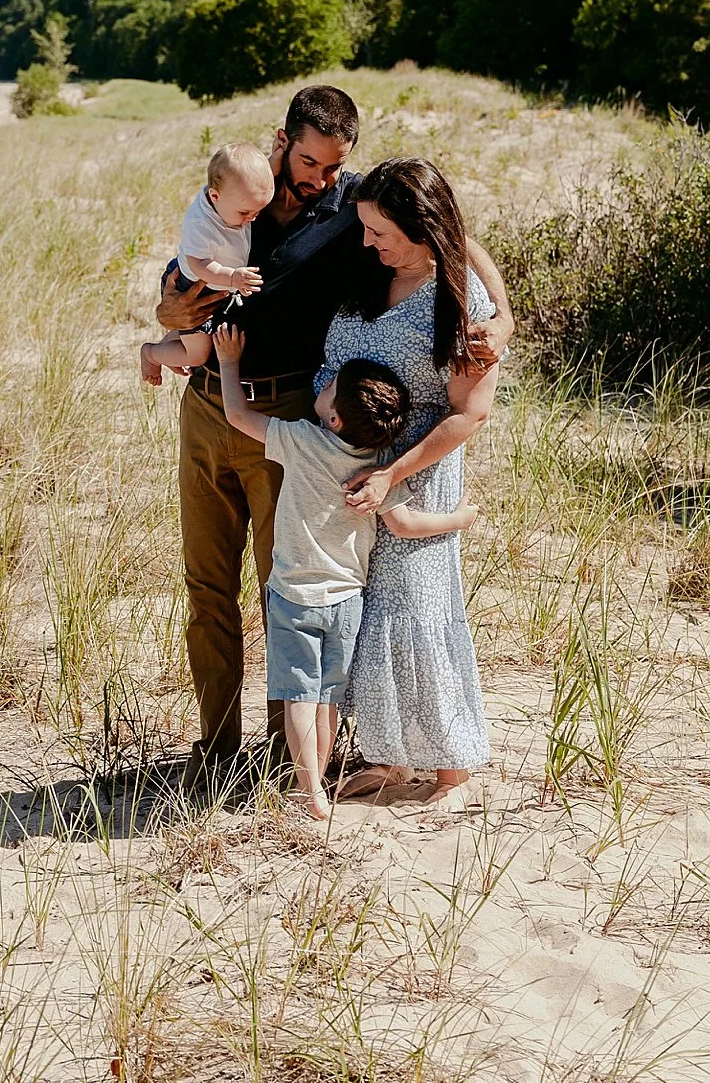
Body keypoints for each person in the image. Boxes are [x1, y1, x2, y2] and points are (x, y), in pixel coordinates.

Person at [156, 84, 513, 786]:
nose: (321, 177)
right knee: (205, 585)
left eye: (334, 164)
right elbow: (176, 290)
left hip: (290, 412)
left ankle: (286, 757)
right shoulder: (237, 197)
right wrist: (171, 310)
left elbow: (456, 236)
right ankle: (216, 748)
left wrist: (503, 314)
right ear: (281, 139)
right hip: (208, 403)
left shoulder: (353, 204)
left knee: (286, 582)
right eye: (312, 161)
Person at [206, 324, 478, 818]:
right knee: (328, 696)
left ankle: (307, 792)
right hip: (349, 598)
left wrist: (227, 362)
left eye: (329, 386)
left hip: (293, 593)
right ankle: (321, 783)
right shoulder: (378, 466)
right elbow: (405, 524)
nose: (322, 384)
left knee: (299, 698)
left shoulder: (301, 441)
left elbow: (236, 414)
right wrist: (459, 519)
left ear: (333, 418)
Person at [324, 158, 500, 811]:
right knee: (372, 616)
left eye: (380, 231)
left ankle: (453, 769)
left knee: (418, 614)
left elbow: (468, 414)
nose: (368, 243)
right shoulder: (373, 278)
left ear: (422, 229)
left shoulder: (459, 303)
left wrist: (394, 473)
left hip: (415, 470)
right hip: (354, 463)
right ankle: (391, 756)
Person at [139, 142, 275, 386]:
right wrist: (233, 277)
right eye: (245, 212)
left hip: (218, 285)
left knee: (199, 337)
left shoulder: (232, 198)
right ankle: (151, 353)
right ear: (214, 196)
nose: (252, 218)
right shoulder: (201, 225)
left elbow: (259, 177)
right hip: (192, 285)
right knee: (198, 354)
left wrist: (277, 157)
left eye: (258, 210)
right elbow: (200, 265)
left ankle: (174, 342)